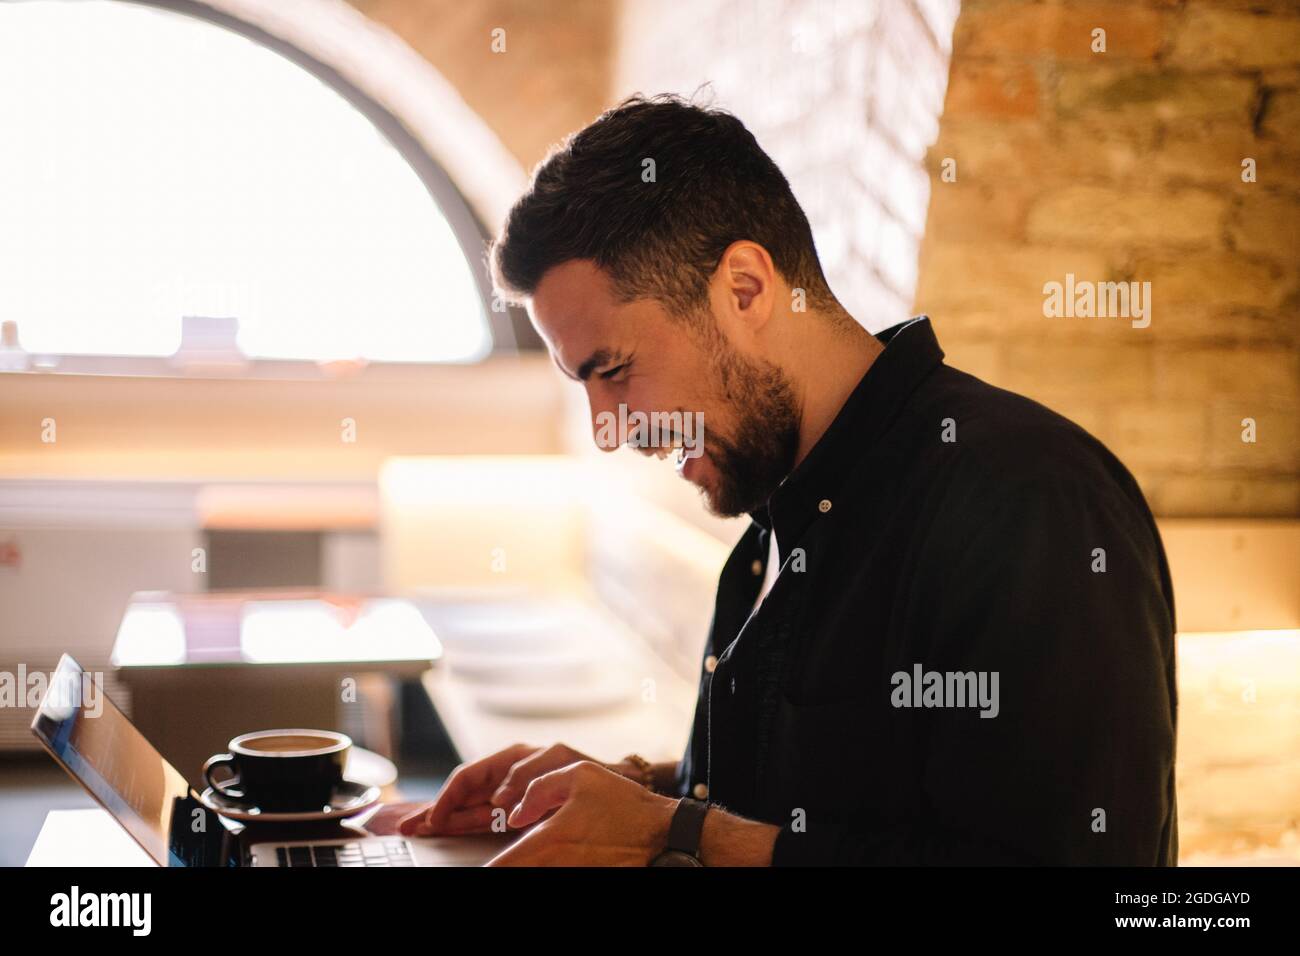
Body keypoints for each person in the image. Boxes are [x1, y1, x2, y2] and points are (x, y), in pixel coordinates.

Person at [398, 94, 1178, 866]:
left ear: (744, 287)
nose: (612, 429)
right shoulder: (773, 522)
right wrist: (621, 793)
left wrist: (675, 831)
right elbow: (822, 809)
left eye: (618, 371)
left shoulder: (1027, 495)